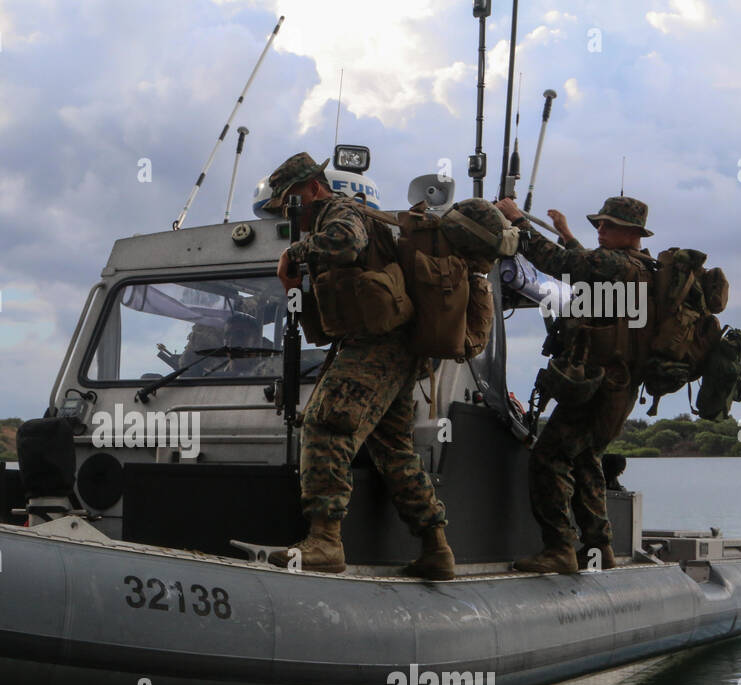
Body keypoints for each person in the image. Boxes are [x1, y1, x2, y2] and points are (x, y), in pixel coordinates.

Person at [263, 152, 455, 579]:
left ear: (314, 188)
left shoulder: (343, 211)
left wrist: (295, 252)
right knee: (393, 449)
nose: (293, 214)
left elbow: (346, 244)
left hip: (379, 347)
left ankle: (326, 542)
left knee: (326, 423)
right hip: (391, 348)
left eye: (293, 201)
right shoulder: (345, 216)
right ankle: (435, 546)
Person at [495, 195, 656, 572]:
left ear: (632, 233)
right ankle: (599, 548)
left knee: (549, 457)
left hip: (597, 386)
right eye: (598, 224)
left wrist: (519, 222)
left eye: (608, 225)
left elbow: (564, 265)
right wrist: (567, 233)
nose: (600, 230)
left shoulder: (617, 265)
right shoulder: (639, 267)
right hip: (618, 387)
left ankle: (559, 549)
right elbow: (586, 266)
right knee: (584, 458)